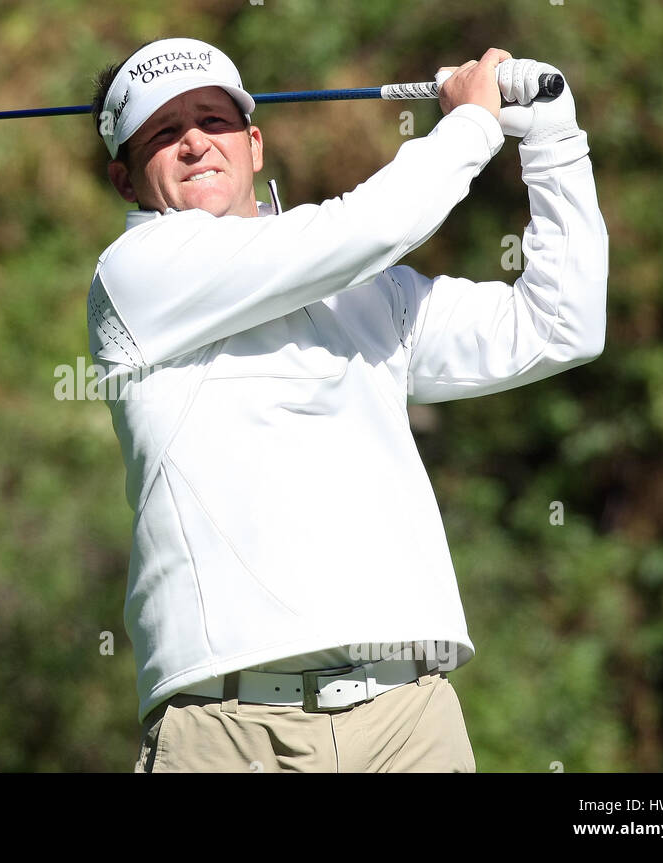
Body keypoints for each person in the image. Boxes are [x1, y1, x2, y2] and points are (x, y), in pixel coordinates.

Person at [85, 37, 608, 772]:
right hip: (226, 730)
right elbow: (362, 227)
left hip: (408, 720)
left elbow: (561, 325)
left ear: (254, 144)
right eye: (164, 132)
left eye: (213, 120)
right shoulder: (135, 279)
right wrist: (470, 125)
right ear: (125, 177)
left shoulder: (369, 294)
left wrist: (552, 139)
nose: (195, 141)